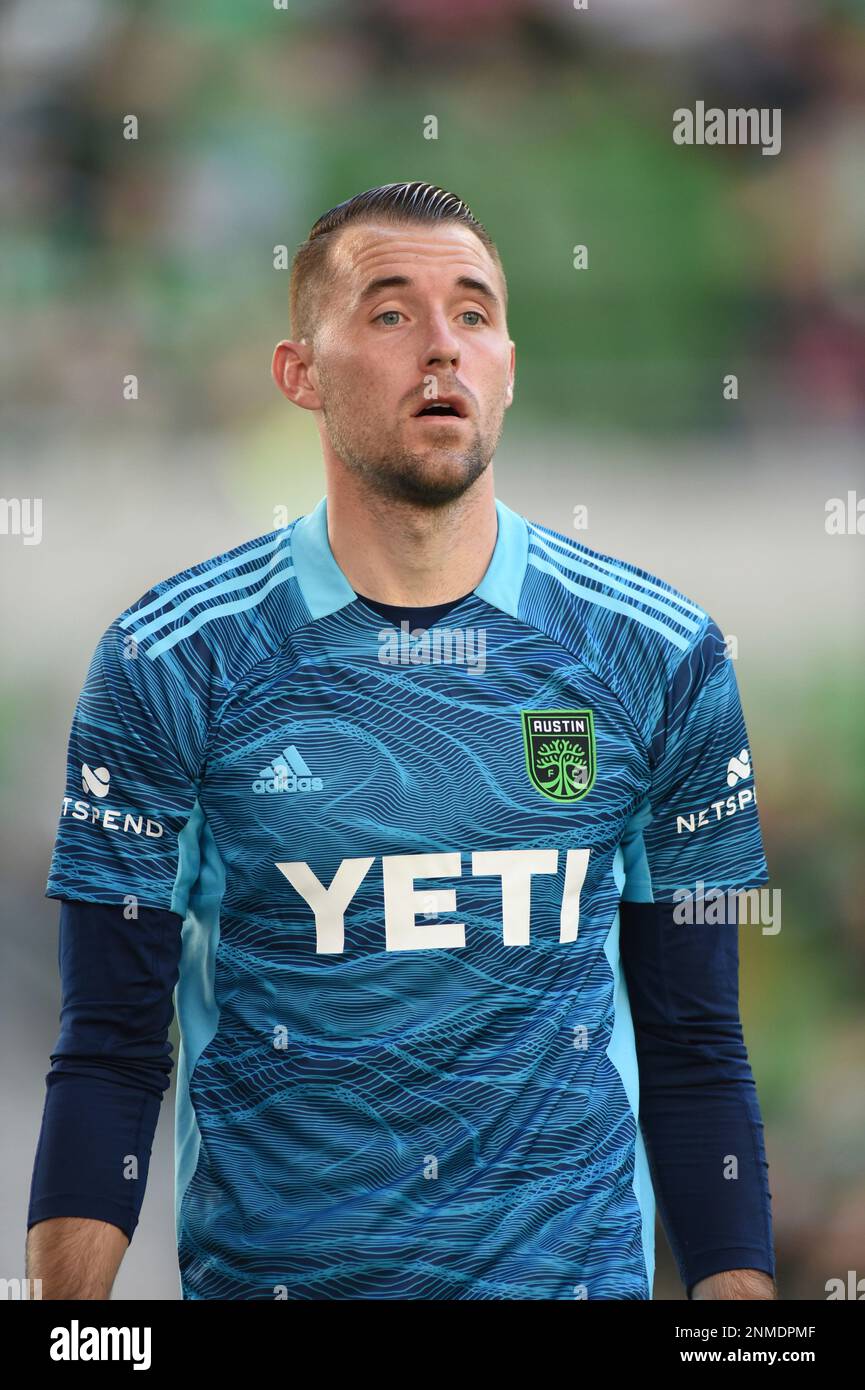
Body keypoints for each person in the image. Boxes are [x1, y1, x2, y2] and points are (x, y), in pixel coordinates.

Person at [27, 180, 776, 1300]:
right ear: (300, 373)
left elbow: (698, 1048)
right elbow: (111, 1051)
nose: (442, 348)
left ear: (510, 365)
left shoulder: (656, 655)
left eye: (473, 314)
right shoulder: (170, 661)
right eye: (390, 312)